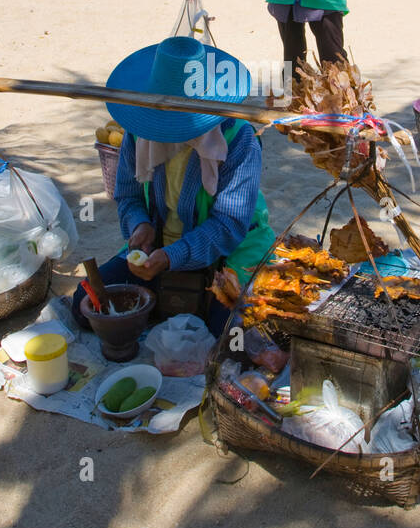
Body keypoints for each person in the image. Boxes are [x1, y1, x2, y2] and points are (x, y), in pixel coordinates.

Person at [71, 36, 276, 337]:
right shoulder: (139, 131)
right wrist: (140, 225)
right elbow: (127, 195)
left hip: (226, 250)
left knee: (236, 337)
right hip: (159, 250)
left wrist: (173, 256)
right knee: (85, 305)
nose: (167, 133)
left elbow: (229, 225)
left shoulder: (239, 140)